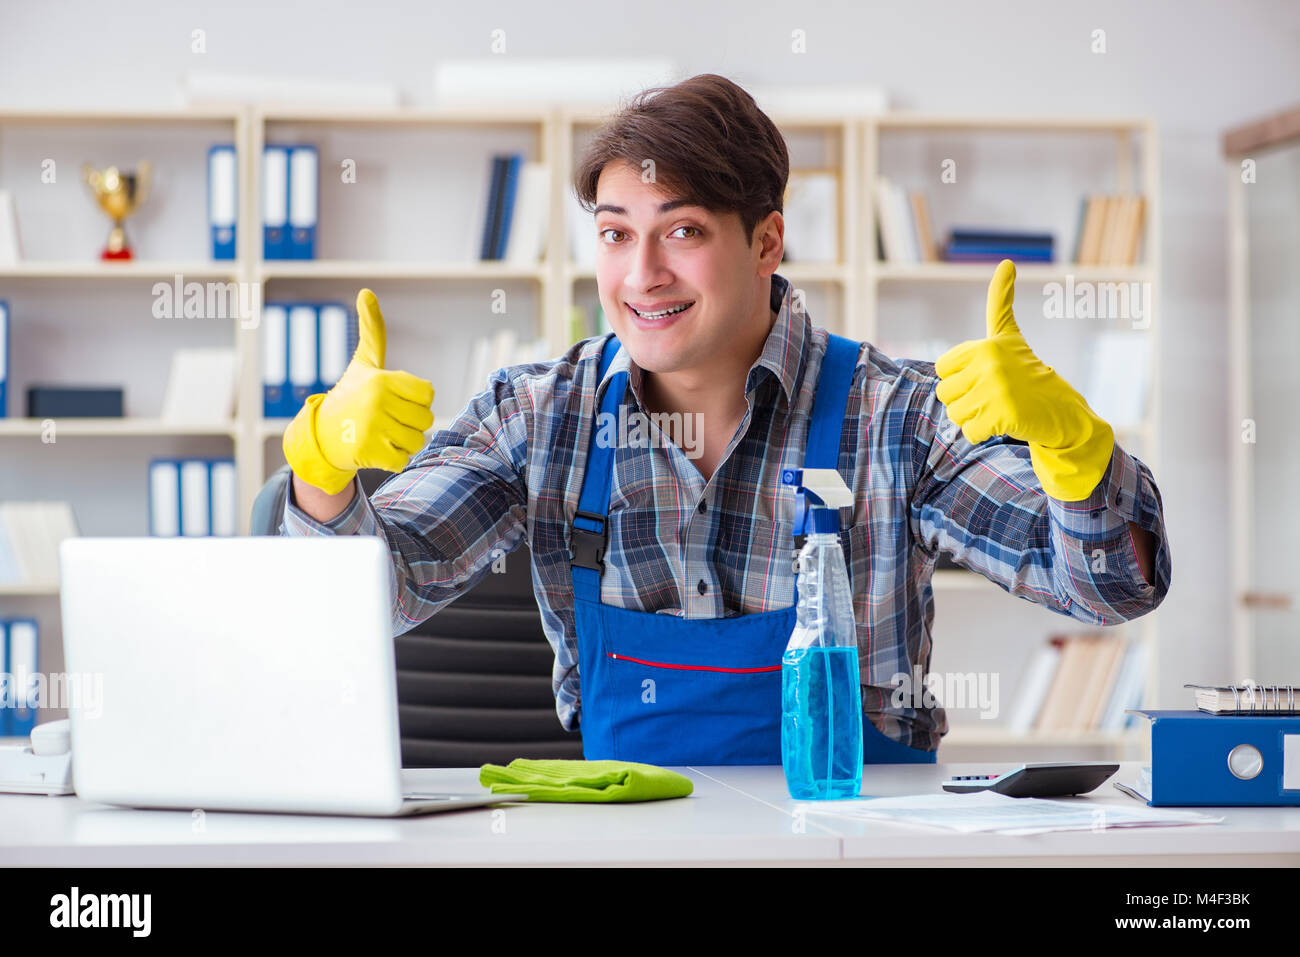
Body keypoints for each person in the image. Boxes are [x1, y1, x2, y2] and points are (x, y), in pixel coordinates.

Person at [279, 73, 1170, 765]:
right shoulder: (536, 415)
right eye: (618, 234)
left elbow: (1111, 587)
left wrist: (1074, 448)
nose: (642, 276)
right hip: (635, 852)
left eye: (684, 231)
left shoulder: (895, 416)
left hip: (855, 847)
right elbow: (375, 597)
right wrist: (323, 472)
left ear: (767, 242)